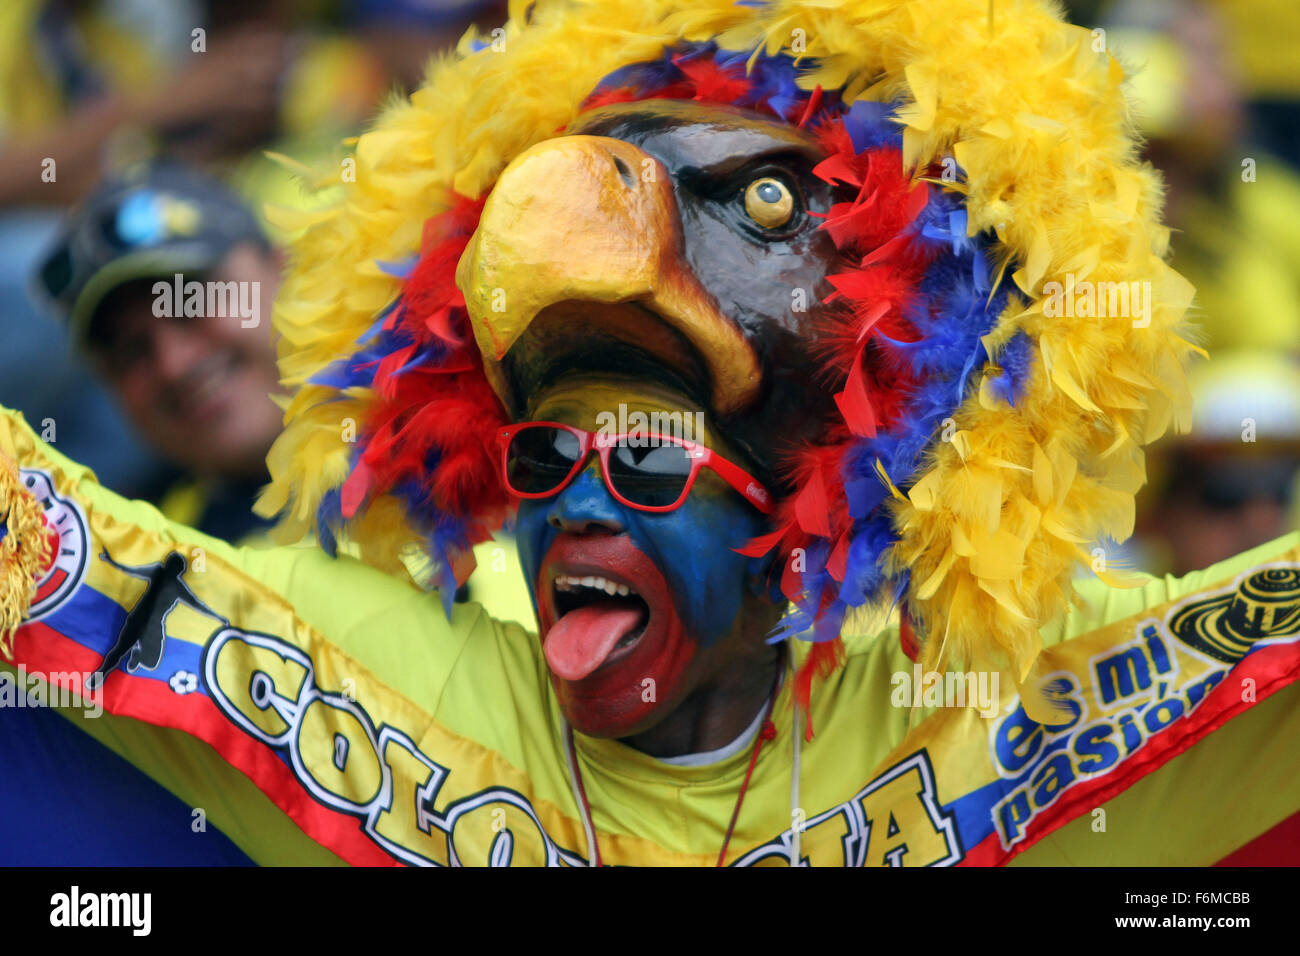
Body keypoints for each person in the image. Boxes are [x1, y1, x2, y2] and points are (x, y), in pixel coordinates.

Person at [1, 0, 1297, 866]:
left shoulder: (964, 709)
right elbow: (61, 555)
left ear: (787, 531)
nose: (579, 504)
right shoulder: (419, 689)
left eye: (650, 463)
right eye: (544, 460)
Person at [33, 161, 284, 543]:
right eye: (130, 353)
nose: (174, 365)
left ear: (285, 271)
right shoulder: (154, 571)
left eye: (190, 301)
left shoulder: (408, 401)